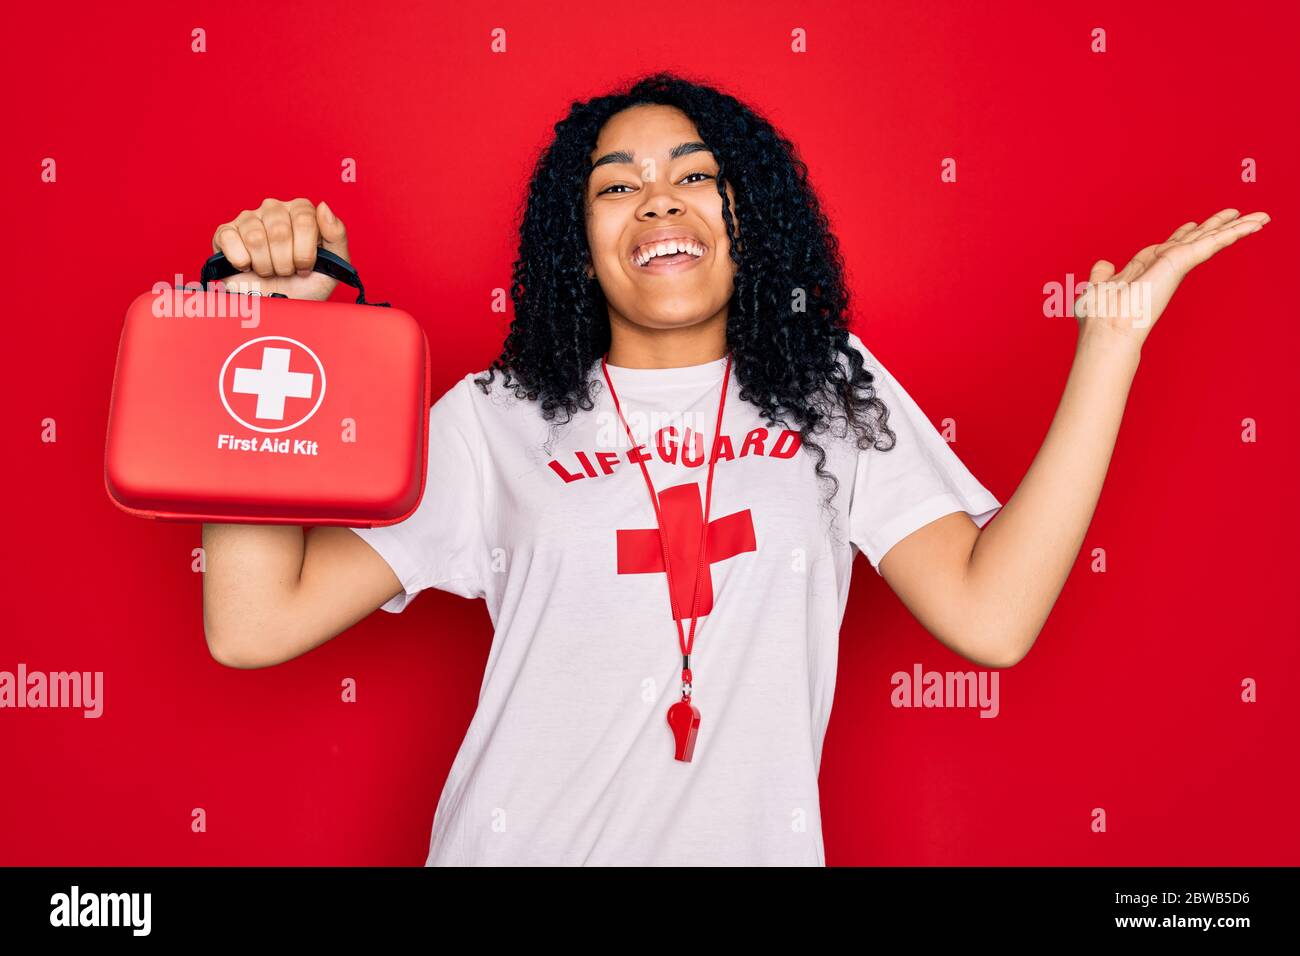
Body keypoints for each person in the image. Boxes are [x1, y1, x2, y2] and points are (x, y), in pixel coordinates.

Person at [201, 72, 1270, 866]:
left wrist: (1108, 349)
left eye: (696, 176)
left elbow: (992, 616)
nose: (659, 201)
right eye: (616, 187)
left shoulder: (826, 389)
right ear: (577, 246)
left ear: (747, 226)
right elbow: (253, 624)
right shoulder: (496, 419)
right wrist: (263, 334)